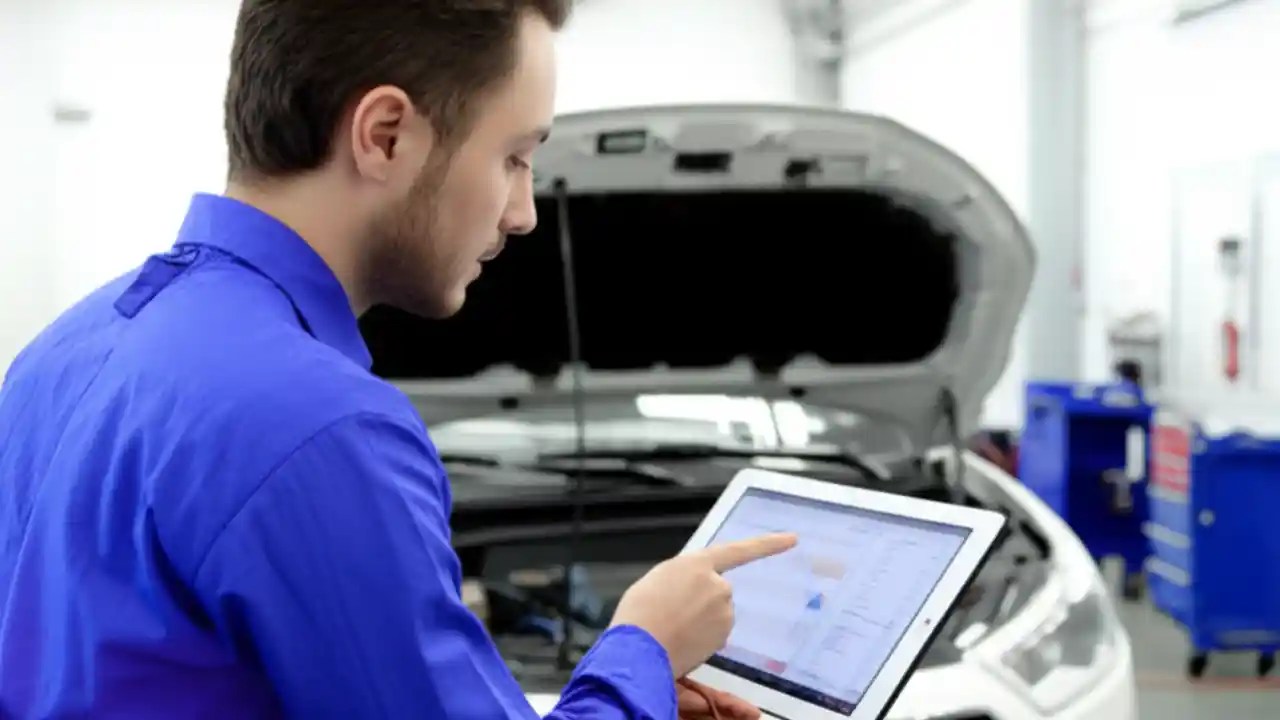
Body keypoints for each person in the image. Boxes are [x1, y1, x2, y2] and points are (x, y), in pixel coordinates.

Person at [0, 1, 798, 718]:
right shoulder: (318, 426)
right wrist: (645, 648)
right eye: (514, 158)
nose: (522, 212)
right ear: (385, 135)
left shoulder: (65, 346)